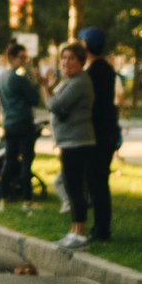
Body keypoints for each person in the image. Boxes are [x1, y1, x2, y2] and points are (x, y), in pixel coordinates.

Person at [42, 39, 95, 250]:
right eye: (63, 58)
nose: (66, 62)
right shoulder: (70, 81)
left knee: (74, 188)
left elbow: (56, 105)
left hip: (78, 143)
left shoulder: (80, 82)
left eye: (71, 58)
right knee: (71, 187)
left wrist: (45, 88)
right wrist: (50, 86)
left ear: (81, 61)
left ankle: (80, 233)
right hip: (69, 142)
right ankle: (74, 230)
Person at [79, 26, 120, 243]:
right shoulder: (105, 68)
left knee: (97, 183)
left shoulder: (93, 72)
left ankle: (101, 229)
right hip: (106, 133)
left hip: (98, 135)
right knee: (98, 181)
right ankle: (100, 226)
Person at [0, 40, 41, 208]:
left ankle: (3, 199)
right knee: (27, 161)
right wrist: (35, 81)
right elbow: (35, 99)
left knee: (9, 161)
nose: (24, 61)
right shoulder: (19, 79)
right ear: (12, 58)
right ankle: (27, 200)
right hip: (24, 122)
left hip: (9, 123)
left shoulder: (1, 78)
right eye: (22, 57)